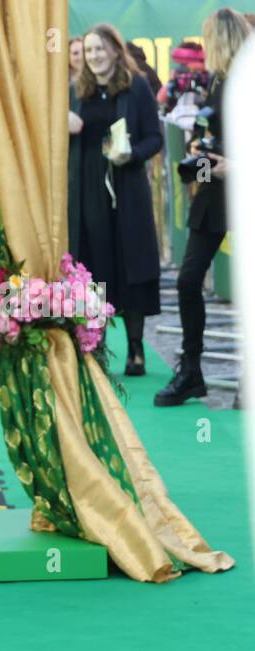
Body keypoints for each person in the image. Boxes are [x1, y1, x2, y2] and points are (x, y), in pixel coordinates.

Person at [156, 8, 251, 406]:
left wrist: (236, 166)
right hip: (214, 191)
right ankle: (191, 370)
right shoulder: (216, 81)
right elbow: (215, 139)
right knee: (188, 280)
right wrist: (200, 155)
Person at [68, 23, 162, 377]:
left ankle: (136, 347)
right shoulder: (75, 91)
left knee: (131, 263)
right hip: (86, 191)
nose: (94, 56)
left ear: (114, 50)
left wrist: (132, 154)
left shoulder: (136, 86)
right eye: (89, 50)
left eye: (99, 49)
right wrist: (62, 123)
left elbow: (154, 138)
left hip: (127, 189)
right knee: (94, 267)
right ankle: (96, 343)